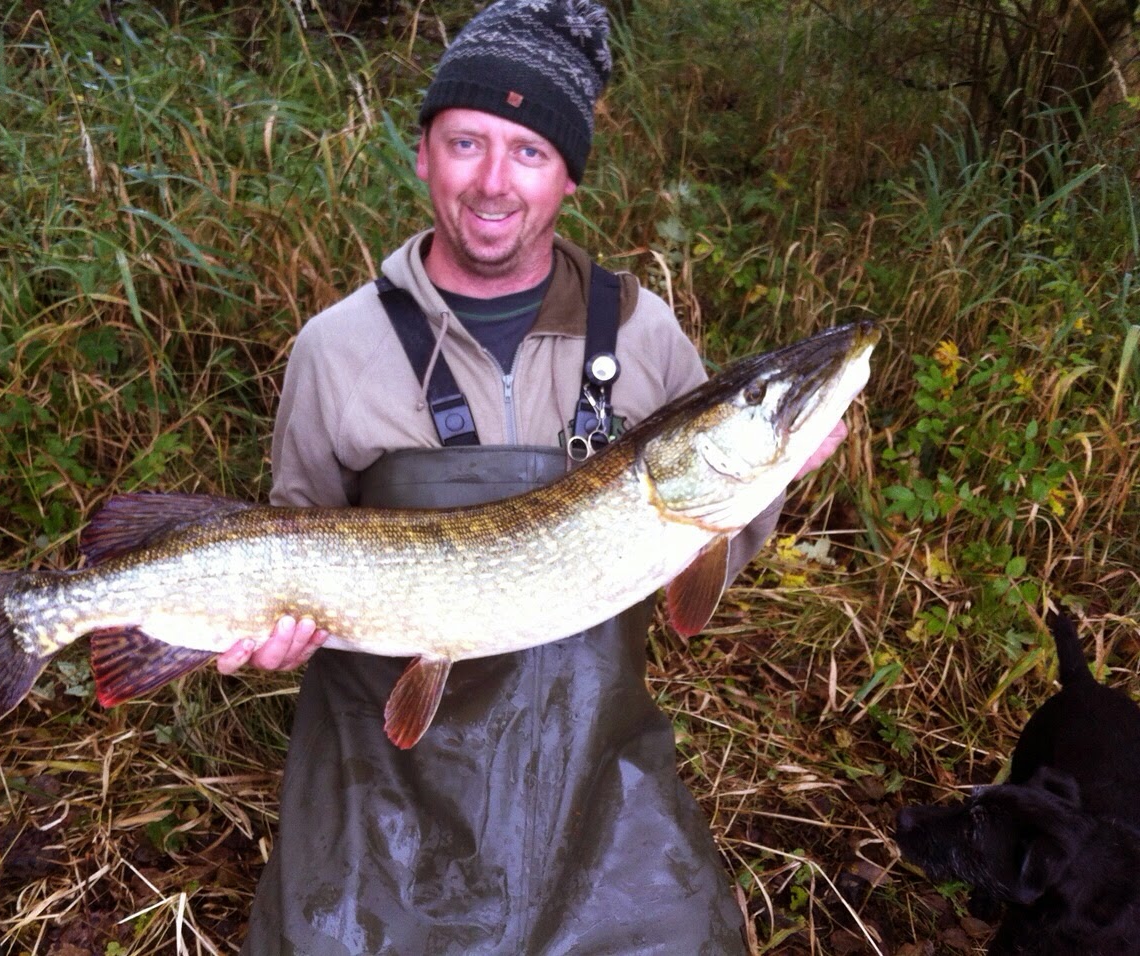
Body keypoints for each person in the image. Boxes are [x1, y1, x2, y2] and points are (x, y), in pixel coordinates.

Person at [220, 0, 847, 952]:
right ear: (423, 152)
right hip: (382, 791)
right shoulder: (337, 350)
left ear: (570, 177)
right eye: (467, 142)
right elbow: (295, 530)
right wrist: (269, 629)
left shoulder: (641, 337)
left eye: (529, 152)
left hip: (596, 778)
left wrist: (771, 478)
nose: (491, 184)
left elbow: (704, 549)